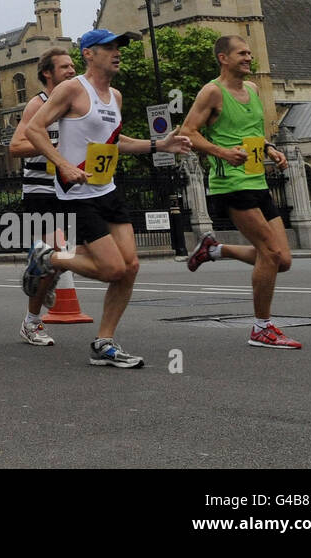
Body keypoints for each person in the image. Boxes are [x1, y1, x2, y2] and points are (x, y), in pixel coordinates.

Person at [23, 28, 191, 368]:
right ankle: (50, 260)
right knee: (112, 268)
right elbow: (33, 130)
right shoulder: (73, 89)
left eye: (119, 47)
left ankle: (104, 342)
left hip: (108, 191)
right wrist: (64, 165)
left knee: (129, 267)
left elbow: (115, 142)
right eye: (108, 47)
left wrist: (161, 144)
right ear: (88, 53)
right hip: (76, 195)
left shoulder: (115, 96)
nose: (117, 52)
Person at [180, 35, 299, 348]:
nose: (249, 58)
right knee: (270, 253)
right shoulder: (212, 92)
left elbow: (253, 133)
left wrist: (270, 148)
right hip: (230, 184)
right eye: (242, 53)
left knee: (282, 259)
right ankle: (262, 328)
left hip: (257, 179)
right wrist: (221, 152)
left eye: (249, 52)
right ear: (223, 58)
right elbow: (187, 133)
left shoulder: (253, 88)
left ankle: (215, 250)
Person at [8, 47, 78, 346]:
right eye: (64, 67)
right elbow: (16, 146)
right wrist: (50, 146)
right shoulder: (38, 104)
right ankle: (32, 322)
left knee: (68, 256)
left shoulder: (76, 103)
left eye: (73, 65)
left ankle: (42, 276)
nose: (72, 70)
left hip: (72, 189)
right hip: (41, 189)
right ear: (47, 73)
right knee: (55, 251)